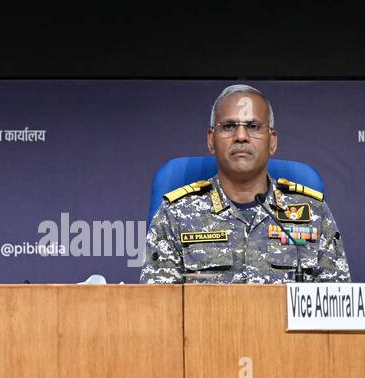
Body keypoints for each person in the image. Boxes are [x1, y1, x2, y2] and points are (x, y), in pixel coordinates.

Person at [142, 84, 350, 283]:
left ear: (272, 141)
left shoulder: (314, 214)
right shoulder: (175, 215)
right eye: (229, 126)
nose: (241, 136)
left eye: (253, 126)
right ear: (211, 140)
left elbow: (335, 308)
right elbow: (159, 308)